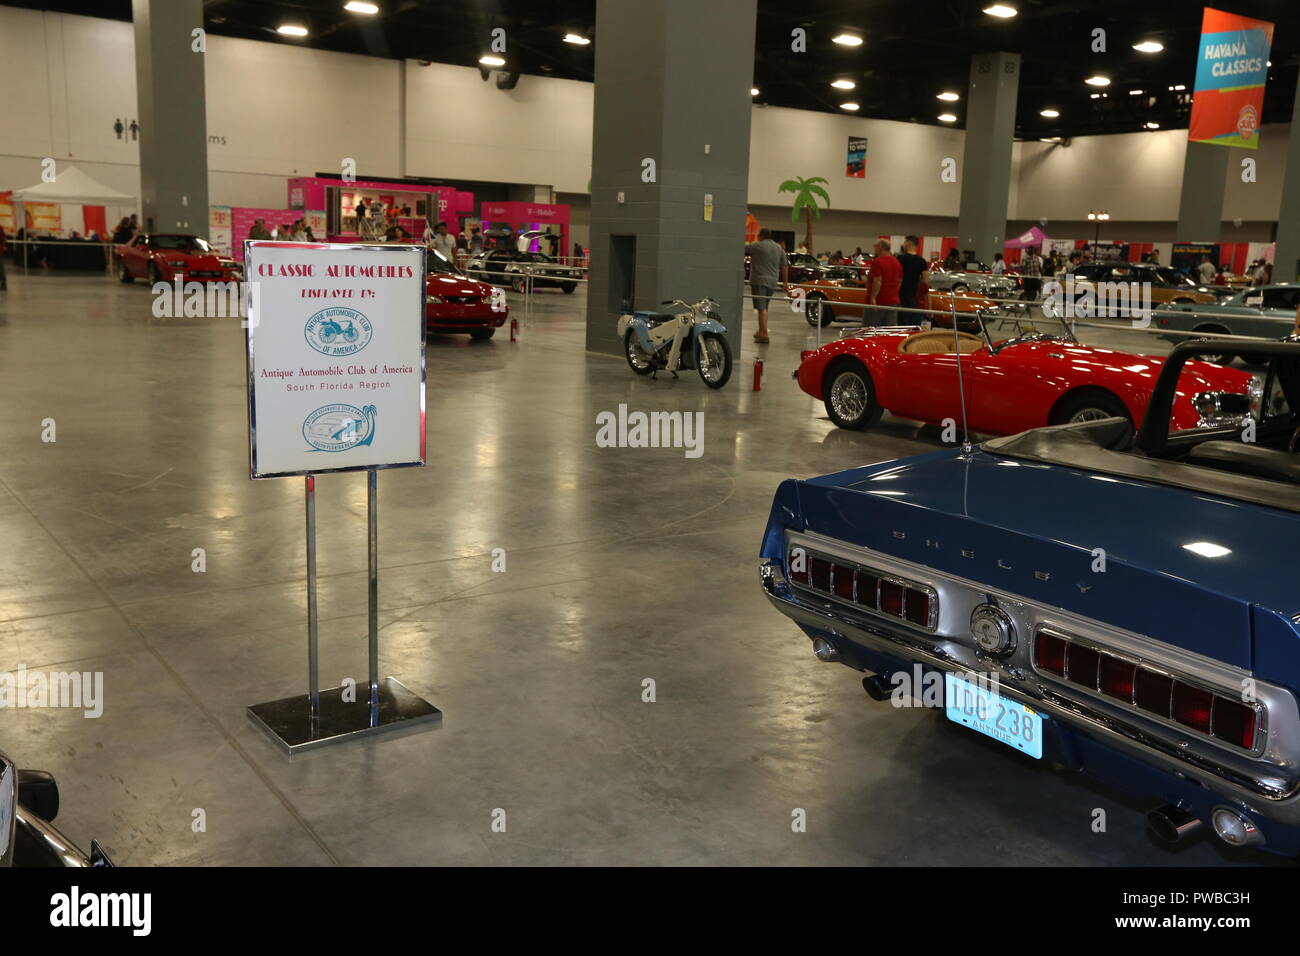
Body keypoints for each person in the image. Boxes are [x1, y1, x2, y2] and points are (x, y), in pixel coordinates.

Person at [744, 228, 789, 344]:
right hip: (772, 282)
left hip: (759, 280)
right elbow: (784, 266)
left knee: (761, 308)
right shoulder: (779, 248)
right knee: (764, 308)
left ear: (761, 236)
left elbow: (743, 248)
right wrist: (785, 282)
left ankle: (764, 334)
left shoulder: (758, 246)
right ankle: (761, 331)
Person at [866, 238, 902, 326]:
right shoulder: (897, 262)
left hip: (879, 301)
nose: (874, 248)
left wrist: (873, 297)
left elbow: (878, 281)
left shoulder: (878, 262)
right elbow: (900, 281)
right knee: (888, 331)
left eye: (875, 246)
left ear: (880, 247)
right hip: (893, 301)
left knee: (871, 330)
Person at [895, 236, 928, 314]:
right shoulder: (922, 261)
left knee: (901, 321)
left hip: (900, 294)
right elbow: (925, 280)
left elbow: (896, 276)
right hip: (914, 295)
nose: (903, 245)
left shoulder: (900, 258)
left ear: (909, 243)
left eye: (905, 242)